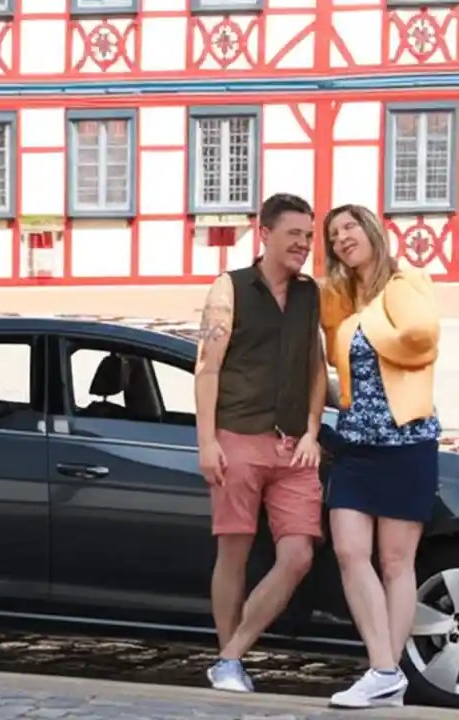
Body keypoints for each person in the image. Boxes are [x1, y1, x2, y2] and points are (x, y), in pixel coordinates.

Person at [194, 192, 327, 693]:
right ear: (265, 234)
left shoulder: (309, 293)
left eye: (308, 236)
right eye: (294, 234)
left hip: (294, 448)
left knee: (298, 556)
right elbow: (207, 369)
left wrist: (313, 429)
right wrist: (207, 442)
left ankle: (230, 656)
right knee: (233, 554)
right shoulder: (228, 288)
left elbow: (317, 367)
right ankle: (229, 666)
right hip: (238, 438)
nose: (304, 244)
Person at [317, 203, 442, 708]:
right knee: (350, 552)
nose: (342, 238)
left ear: (371, 230)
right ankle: (385, 669)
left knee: (395, 562)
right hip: (355, 445)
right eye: (333, 235)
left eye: (349, 227)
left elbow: (422, 340)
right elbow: (329, 356)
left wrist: (366, 325)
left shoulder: (405, 284)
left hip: (407, 442)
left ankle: (385, 674)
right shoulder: (339, 296)